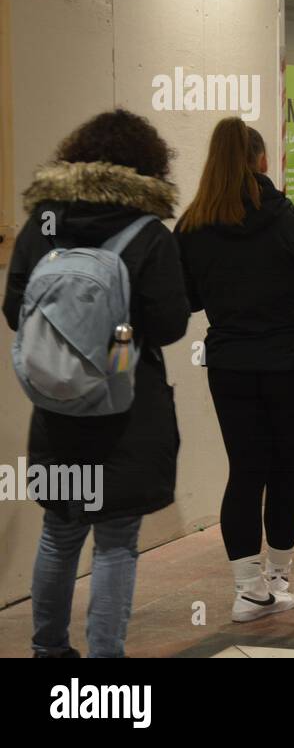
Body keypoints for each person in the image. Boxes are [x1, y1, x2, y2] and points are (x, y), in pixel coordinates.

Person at [4, 109, 190, 657]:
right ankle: (105, 664)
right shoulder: (150, 234)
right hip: (126, 407)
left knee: (59, 534)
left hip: (57, 404)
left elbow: (16, 310)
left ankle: (48, 652)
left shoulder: (41, 223)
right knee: (115, 543)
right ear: (149, 165)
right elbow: (171, 324)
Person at [176, 118, 294, 621]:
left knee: (245, 472)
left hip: (229, 364)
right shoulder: (292, 219)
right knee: (285, 470)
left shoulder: (191, 227)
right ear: (263, 161)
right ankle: (277, 578)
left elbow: (185, 299)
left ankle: (247, 591)